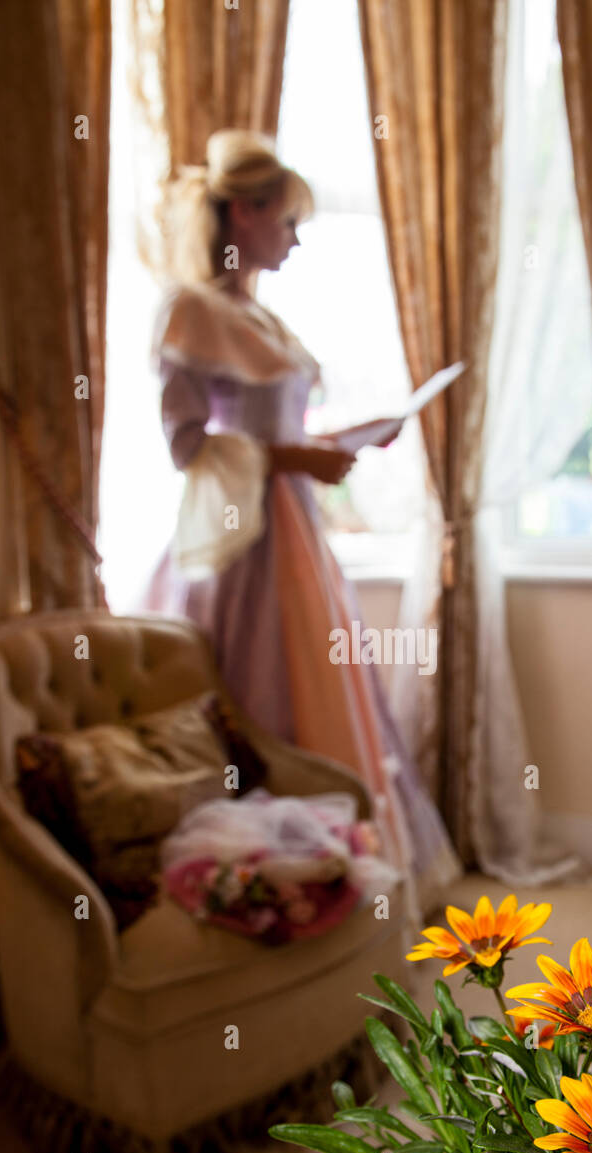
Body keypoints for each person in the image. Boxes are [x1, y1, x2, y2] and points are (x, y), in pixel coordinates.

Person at [143, 129, 460, 918]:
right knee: (255, 694)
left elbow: (271, 431)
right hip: (238, 539)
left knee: (318, 693)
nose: (294, 238)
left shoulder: (262, 317)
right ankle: (257, 878)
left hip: (294, 532)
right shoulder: (191, 310)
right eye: (287, 221)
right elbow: (187, 445)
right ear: (245, 212)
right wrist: (295, 461)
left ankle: (339, 884)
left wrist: (340, 442)